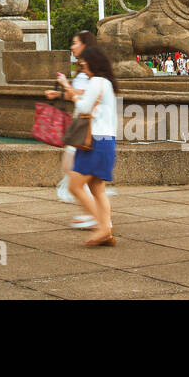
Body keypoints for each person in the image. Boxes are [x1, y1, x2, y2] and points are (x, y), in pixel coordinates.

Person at [64, 45, 119, 246]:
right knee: (97, 188)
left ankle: (103, 228)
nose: (82, 67)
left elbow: (83, 108)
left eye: (84, 64)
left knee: (75, 186)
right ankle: (105, 229)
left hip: (94, 142)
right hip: (106, 141)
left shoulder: (96, 81)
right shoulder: (107, 83)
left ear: (93, 63)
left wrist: (75, 96)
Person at [46, 31, 97, 205]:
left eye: (75, 43)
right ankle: (96, 214)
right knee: (76, 171)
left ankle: (95, 214)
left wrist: (65, 85)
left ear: (84, 45)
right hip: (81, 123)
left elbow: (89, 94)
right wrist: (58, 94)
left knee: (73, 169)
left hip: (86, 125)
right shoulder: (84, 67)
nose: (72, 46)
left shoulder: (91, 68)